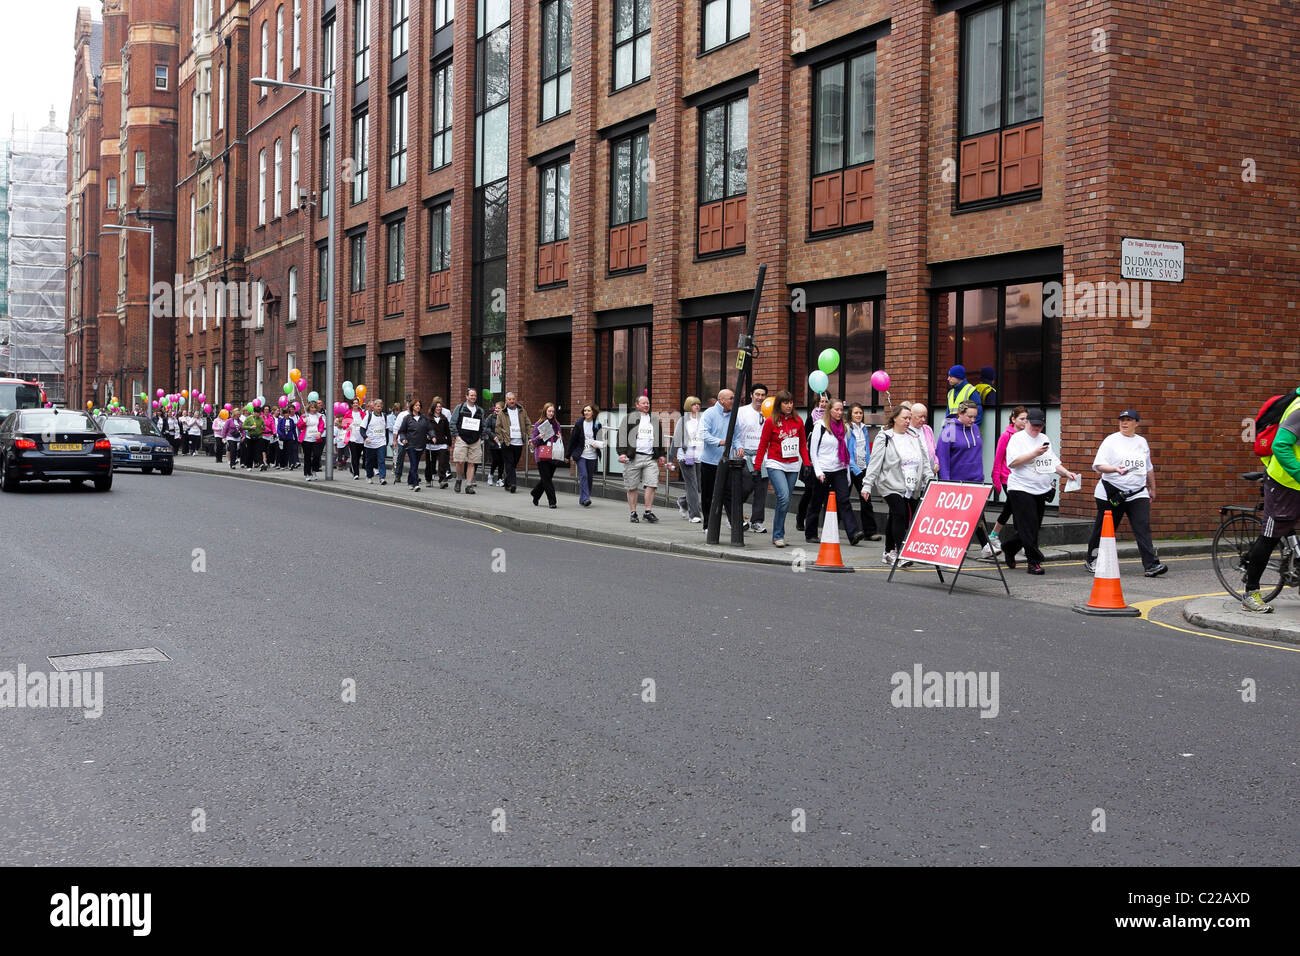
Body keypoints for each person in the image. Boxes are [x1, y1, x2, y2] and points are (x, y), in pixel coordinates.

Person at [1085, 410, 1167, 577]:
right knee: (1105, 529)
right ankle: (1092, 559)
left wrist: (1153, 488)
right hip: (1111, 493)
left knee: (1142, 527)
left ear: (1136, 423)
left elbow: (1148, 467)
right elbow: (1099, 465)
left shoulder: (1142, 442)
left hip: (1138, 493)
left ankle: (1151, 565)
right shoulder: (1111, 440)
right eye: (1122, 420)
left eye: (1129, 420)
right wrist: (1115, 469)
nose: (1124, 423)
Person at [1000, 408, 1081, 575]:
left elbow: (1052, 462)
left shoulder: (1044, 439)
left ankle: (1009, 547)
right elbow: (1012, 463)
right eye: (1033, 425)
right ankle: (1034, 562)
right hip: (1020, 488)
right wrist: (1034, 453)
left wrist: (1066, 473)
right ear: (1026, 423)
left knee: (1034, 527)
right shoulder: (1017, 439)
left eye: (1040, 426)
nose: (1036, 429)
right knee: (1028, 526)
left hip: (1040, 489)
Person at [1241, 387, 1300, 611]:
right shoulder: (1299, 410)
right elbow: (1280, 445)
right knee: (1270, 537)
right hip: (1284, 483)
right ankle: (1251, 594)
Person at [862, 403, 933, 565]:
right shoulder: (885, 437)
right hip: (890, 484)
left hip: (911, 485)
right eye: (904, 418)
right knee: (900, 513)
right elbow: (875, 462)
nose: (907, 421)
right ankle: (901, 554)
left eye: (909, 418)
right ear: (894, 418)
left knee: (898, 515)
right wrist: (867, 484)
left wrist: (929, 479)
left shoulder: (914, 436)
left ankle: (888, 552)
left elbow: (924, 461)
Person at [806, 399, 865, 546]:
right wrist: (818, 471)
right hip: (823, 469)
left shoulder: (843, 427)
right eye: (836, 410)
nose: (839, 413)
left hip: (839, 469)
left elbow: (845, 451)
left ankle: (853, 533)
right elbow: (813, 452)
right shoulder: (820, 426)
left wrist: (847, 473)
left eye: (841, 410)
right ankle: (811, 533)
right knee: (816, 501)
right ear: (829, 410)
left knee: (844, 500)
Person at [755, 390, 809, 547]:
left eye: (791, 402)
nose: (789, 405)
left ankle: (779, 533)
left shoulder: (798, 421)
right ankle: (778, 535)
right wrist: (757, 466)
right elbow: (763, 445)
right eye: (785, 403)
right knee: (783, 497)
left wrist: (807, 463)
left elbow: (802, 445)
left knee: (784, 500)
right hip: (775, 463)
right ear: (779, 404)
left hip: (792, 464)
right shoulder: (770, 422)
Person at [936, 400, 992, 551]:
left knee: (977, 513)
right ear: (960, 414)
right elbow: (942, 458)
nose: (973, 420)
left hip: (976, 480)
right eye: (970, 417)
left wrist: (980, 476)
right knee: (955, 516)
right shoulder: (949, 431)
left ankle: (986, 546)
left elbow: (976, 454)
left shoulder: (975, 429)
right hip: (957, 482)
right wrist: (946, 482)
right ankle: (949, 545)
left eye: (975, 417)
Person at [617, 393, 667, 523]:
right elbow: (621, 436)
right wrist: (622, 453)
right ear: (637, 405)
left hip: (650, 458)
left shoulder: (654, 419)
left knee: (652, 484)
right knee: (632, 486)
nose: (646, 405)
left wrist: (661, 454)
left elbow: (659, 438)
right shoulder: (629, 418)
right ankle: (633, 513)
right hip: (633, 458)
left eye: (648, 403)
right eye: (643, 403)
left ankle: (648, 511)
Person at [986, 406, 1028, 557]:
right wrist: (996, 479)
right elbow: (998, 458)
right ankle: (1021, 542)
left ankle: (994, 535)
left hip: (1022, 478)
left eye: (1026, 419)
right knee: (1016, 509)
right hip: (1007, 478)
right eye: (1021, 419)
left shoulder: (1026, 436)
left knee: (1011, 508)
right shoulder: (1006, 436)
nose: (1024, 422)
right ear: (1013, 419)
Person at [697, 389, 735, 531]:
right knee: (708, 494)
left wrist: (739, 447)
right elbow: (703, 434)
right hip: (709, 461)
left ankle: (733, 521)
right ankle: (707, 524)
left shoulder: (734, 415)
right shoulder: (709, 414)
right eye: (731, 398)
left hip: (727, 461)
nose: (733, 401)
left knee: (729, 493)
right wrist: (720, 442)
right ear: (721, 400)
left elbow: (736, 435)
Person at [845, 403, 881, 541]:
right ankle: (832, 527)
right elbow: (846, 452)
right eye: (856, 413)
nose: (859, 415)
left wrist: (868, 465)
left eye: (860, 413)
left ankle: (870, 532)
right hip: (850, 469)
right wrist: (856, 469)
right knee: (843, 500)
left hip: (863, 467)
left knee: (866, 498)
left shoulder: (864, 428)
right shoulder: (847, 429)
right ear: (850, 414)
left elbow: (866, 448)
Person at [796, 393, 830, 532]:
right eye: (821, 402)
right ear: (816, 403)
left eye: (826, 402)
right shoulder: (811, 418)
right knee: (809, 492)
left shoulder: (831, 418)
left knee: (824, 493)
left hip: (826, 460)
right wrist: (807, 459)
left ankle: (826, 523)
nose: (823, 404)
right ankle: (800, 518)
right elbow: (804, 439)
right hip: (811, 460)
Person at [669, 396, 703, 521]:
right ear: (688, 406)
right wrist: (670, 458)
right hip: (687, 455)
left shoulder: (702, 419)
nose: (697, 406)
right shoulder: (683, 420)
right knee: (692, 485)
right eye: (694, 404)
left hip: (699, 455)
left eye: (698, 404)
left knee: (697, 486)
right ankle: (694, 514)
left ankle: (682, 501)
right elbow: (676, 439)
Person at [566, 402, 603, 507]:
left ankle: (583, 498)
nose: (586, 412)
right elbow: (572, 440)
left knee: (589, 477)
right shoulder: (579, 423)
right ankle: (586, 498)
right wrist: (567, 455)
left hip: (592, 454)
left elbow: (600, 438)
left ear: (593, 412)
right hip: (581, 454)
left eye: (588, 411)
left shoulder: (597, 424)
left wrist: (597, 444)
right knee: (584, 475)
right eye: (585, 410)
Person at [449, 387, 486, 493]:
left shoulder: (480, 410)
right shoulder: (460, 408)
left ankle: (469, 485)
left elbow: (483, 425)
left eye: (475, 395)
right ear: (466, 396)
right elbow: (452, 422)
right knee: (460, 461)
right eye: (471, 395)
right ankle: (459, 479)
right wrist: (456, 435)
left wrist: (481, 437)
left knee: (472, 463)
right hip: (462, 439)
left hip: (475, 440)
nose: (473, 397)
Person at [530, 402, 565, 508]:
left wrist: (560, 437)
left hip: (554, 455)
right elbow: (533, 441)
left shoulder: (556, 424)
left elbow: (559, 438)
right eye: (549, 411)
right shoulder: (538, 424)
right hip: (542, 455)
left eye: (553, 411)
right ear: (545, 411)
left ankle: (535, 493)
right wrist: (539, 437)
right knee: (547, 480)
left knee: (546, 479)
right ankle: (552, 501)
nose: (551, 413)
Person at [494, 392, 529, 493]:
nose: (512, 401)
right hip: (507, 442)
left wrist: (530, 437)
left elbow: (527, 423)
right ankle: (513, 484)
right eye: (509, 399)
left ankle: (507, 482)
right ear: (506, 401)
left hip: (519, 442)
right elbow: (498, 427)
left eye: (513, 399)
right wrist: (502, 440)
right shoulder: (502, 413)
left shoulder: (522, 411)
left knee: (514, 464)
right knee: (510, 463)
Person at [397, 400, 434, 491]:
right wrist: (403, 439)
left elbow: (430, 429)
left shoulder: (424, 418)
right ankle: (416, 484)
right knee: (413, 464)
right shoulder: (407, 418)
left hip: (421, 444)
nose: (418, 407)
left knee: (415, 464)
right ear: (412, 407)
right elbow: (402, 431)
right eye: (416, 405)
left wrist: (432, 436)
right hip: (410, 445)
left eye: (419, 405)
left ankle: (410, 482)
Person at [361, 399, 389, 484]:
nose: (379, 408)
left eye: (381, 406)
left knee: (381, 460)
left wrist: (386, 441)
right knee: (370, 461)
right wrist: (365, 438)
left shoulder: (384, 416)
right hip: (370, 443)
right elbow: (362, 429)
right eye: (378, 406)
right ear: (374, 407)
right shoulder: (368, 416)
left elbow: (386, 430)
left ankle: (382, 478)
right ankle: (369, 476)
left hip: (381, 442)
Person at [909, 401, 940, 474]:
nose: (923, 419)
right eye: (920, 417)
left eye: (925, 417)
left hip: (929, 472)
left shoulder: (927, 429)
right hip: (914, 473)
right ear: (911, 415)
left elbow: (934, 450)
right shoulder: (906, 431)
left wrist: (936, 463)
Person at [427, 398, 452, 488]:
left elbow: (447, 431)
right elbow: (425, 429)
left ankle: (442, 480)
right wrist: (427, 436)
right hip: (430, 444)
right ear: (433, 408)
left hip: (442, 443)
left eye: (440, 407)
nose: (439, 408)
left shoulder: (444, 418)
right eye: (437, 407)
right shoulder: (428, 418)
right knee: (431, 463)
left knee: (442, 462)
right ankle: (429, 479)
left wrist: (449, 443)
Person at [299, 400, 326, 480]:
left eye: (315, 408)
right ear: (309, 408)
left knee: (317, 455)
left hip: (316, 439)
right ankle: (307, 473)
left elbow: (321, 425)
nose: (313, 409)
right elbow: (299, 426)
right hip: (306, 439)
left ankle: (314, 470)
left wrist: (319, 432)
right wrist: (303, 422)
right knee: (307, 457)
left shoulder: (319, 416)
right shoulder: (304, 416)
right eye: (312, 408)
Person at [484, 400, 505, 486]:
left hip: (502, 441)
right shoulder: (491, 417)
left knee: (502, 461)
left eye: (498, 408)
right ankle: (491, 474)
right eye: (496, 408)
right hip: (493, 442)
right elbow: (487, 428)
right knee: (495, 460)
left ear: (503, 409)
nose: (496, 410)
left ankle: (499, 479)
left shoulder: (505, 418)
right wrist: (493, 436)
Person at [391, 401, 410, 482]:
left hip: (413, 441)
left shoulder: (418, 415)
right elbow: (396, 428)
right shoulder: (402, 415)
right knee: (400, 458)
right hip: (402, 440)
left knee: (414, 459)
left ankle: (414, 475)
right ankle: (398, 475)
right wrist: (394, 440)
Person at [347, 398, 365, 479]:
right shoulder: (348, 413)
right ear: (351, 405)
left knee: (358, 457)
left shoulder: (363, 414)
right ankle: (356, 474)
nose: (355, 404)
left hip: (361, 438)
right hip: (352, 438)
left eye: (357, 403)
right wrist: (348, 426)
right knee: (354, 456)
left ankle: (352, 468)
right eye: (354, 403)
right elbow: (344, 424)